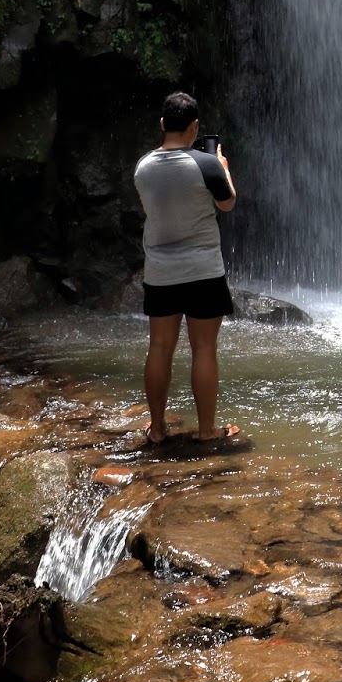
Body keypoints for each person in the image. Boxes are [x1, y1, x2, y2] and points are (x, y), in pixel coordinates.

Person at [134, 89, 239, 445]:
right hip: (203, 271)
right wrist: (223, 169)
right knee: (204, 348)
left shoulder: (143, 167)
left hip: (161, 272)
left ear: (162, 125)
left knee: (159, 347)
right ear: (195, 127)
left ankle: (158, 429)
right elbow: (227, 204)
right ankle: (208, 431)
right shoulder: (206, 164)